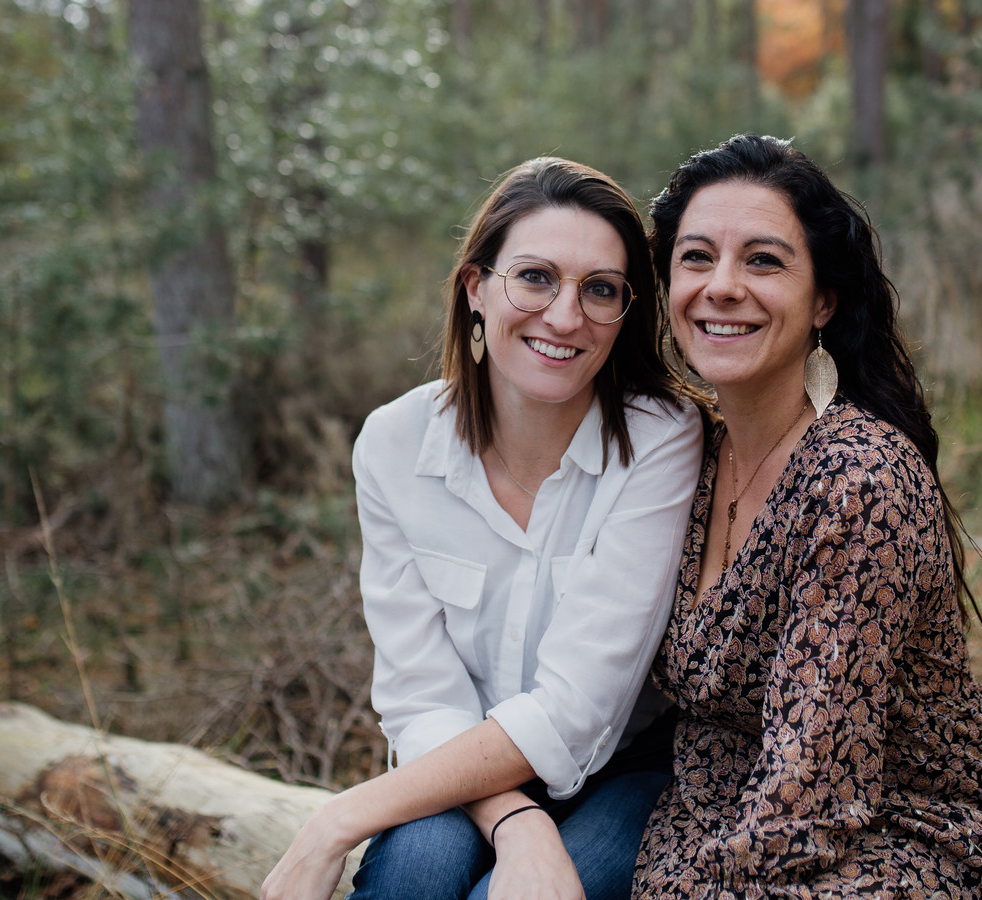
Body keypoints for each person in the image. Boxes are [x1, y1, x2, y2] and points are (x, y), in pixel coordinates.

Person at [261, 157, 704, 900]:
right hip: (456, 761)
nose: (565, 317)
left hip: (622, 770)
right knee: (411, 882)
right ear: (475, 287)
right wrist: (516, 821)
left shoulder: (660, 440)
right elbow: (420, 695)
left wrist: (334, 821)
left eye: (600, 290)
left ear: (626, 311)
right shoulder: (394, 443)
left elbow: (577, 710)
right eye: (534, 277)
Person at [631, 134, 982, 899]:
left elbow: (810, 795)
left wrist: (683, 884)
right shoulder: (684, 455)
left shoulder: (857, 480)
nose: (721, 286)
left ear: (822, 298)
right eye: (695, 258)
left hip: (900, 836)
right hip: (713, 820)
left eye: (762, 261)